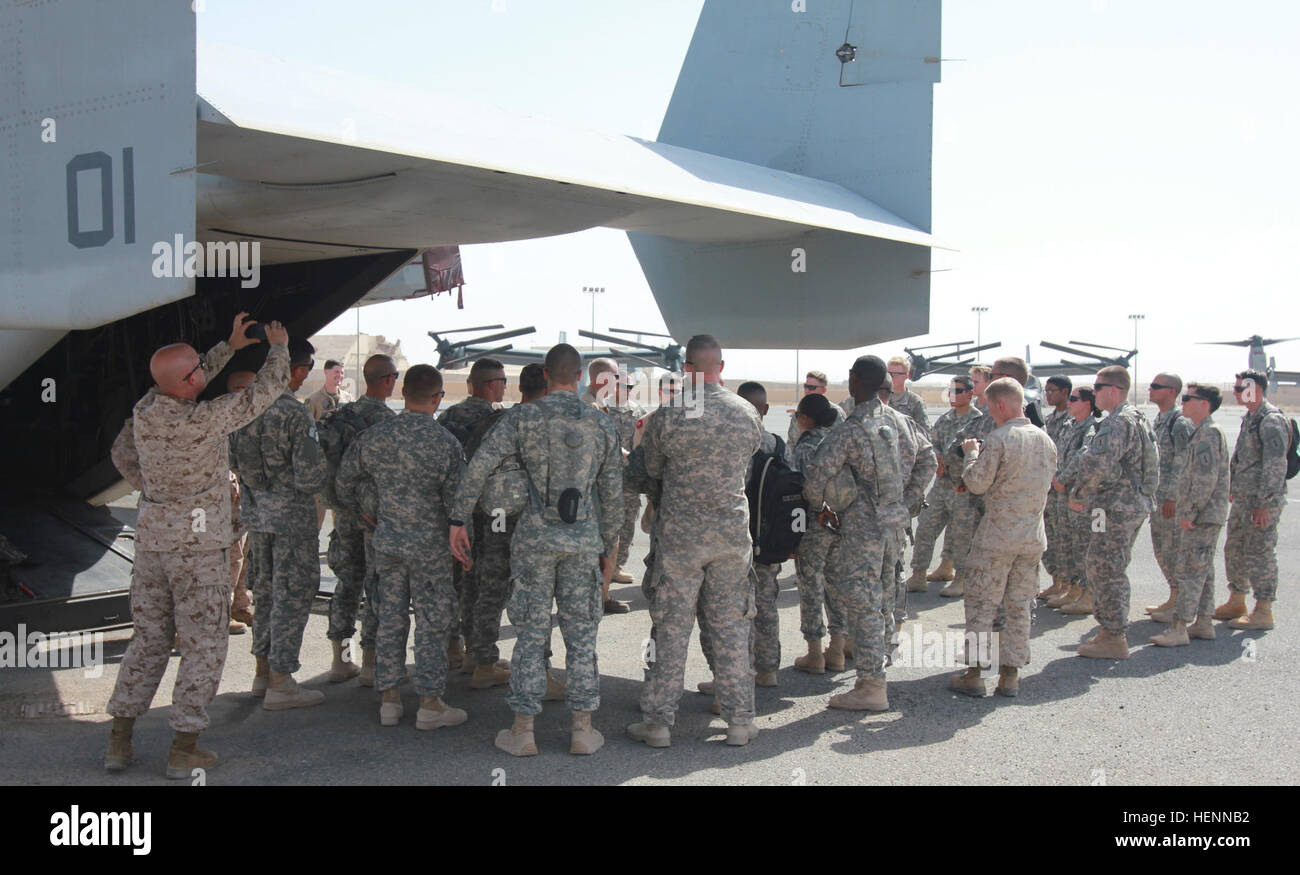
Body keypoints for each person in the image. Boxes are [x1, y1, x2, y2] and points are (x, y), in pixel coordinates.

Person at [104, 314, 288, 778]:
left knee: (148, 641)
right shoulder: (205, 420)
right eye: (197, 372)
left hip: (152, 544)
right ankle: (184, 746)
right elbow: (260, 395)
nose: (204, 373)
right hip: (199, 550)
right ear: (190, 382)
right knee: (205, 645)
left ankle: (119, 742)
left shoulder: (148, 408)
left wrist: (227, 345)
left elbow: (121, 451)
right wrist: (278, 348)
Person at [450, 344, 622, 756]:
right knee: (582, 635)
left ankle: (523, 730)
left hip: (533, 540)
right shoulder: (600, 424)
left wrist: (458, 519)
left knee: (530, 633)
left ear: (545, 375)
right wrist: (608, 546)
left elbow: (479, 467)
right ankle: (582, 729)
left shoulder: (522, 417)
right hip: (582, 540)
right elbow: (613, 493)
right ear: (578, 376)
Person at [629, 335, 763, 748]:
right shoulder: (746, 413)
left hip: (680, 538)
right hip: (729, 536)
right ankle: (739, 720)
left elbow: (647, 469)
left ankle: (658, 723)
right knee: (730, 627)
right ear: (721, 366)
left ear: (687, 368)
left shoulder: (669, 414)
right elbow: (746, 469)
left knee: (670, 627)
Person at [337, 365, 469, 730]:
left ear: (402, 393)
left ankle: (389, 700)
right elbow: (459, 504)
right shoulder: (446, 443)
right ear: (438, 398)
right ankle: (430, 703)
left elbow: (344, 483)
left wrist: (370, 515)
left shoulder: (375, 437)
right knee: (432, 621)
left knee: (389, 618)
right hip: (430, 550)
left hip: (388, 544)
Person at [802, 355, 926, 712]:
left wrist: (823, 509)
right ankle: (880, 667)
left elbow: (816, 477)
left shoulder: (851, 429)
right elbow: (928, 460)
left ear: (856, 381)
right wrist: (908, 501)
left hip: (861, 529)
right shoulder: (902, 421)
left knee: (864, 603)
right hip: (894, 527)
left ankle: (872, 685)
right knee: (885, 598)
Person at [232, 337, 332, 707]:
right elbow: (309, 477)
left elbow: (233, 461)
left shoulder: (245, 407)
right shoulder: (294, 412)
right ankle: (281, 681)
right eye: (304, 371)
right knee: (293, 596)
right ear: (295, 370)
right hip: (293, 520)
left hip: (259, 518)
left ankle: (262, 673)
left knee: (267, 593)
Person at [948, 378, 1057, 697]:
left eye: (987, 405)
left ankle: (975, 674)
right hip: (1031, 538)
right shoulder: (1045, 440)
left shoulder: (999, 439)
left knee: (982, 604)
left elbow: (977, 484)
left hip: (997, 537)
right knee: (1019, 605)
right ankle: (1010, 676)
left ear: (998, 405)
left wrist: (970, 455)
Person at [1070, 366, 1159, 659]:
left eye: (1097, 388)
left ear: (1113, 390)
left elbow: (1099, 464)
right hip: (1121, 505)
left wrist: (1079, 492)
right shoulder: (1135, 417)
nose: (1093, 393)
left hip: (1114, 508)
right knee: (1105, 564)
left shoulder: (1118, 422)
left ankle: (1115, 635)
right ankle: (1109, 631)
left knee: (1104, 567)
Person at [319, 354, 398, 684]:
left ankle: (341, 660)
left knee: (347, 585)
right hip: (376, 518)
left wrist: (337, 503)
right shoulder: (388, 422)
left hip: (345, 514)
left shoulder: (342, 415)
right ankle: (370, 664)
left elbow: (324, 466)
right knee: (376, 587)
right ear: (388, 380)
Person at [438, 358, 509, 672]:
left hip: (453, 513)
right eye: (503, 381)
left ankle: (453, 646)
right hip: (488, 515)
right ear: (493, 385)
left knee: (454, 581)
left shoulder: (449, 415)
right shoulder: (497, 420)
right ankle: (477, 655)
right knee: (484, 584)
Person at [1151, 384, 1229, 646]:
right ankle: (1204, 622)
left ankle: (1179, 627)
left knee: (1190, 571)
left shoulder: (1208, 434)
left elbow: (1206, 480)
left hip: (1202, 516)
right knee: (1202, 570)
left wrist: (1191, 512)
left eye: (1188, 399)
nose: (1183, 403)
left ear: (1204, 403)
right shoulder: (1201, 432)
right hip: (1204, 515)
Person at [1216, 369, 1289, 630]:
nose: (1235, 394)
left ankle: (1264, 609)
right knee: (1235, 548)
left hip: (1260, 502)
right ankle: (1237, 600)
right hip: (1244, 499)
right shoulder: (1252, 418)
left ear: (1255, 389)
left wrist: (1264, 503)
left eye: (1239, 389)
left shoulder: (1270, 421)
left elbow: (1275, 465)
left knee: (1260, 552)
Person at [790, 393, 850, 673]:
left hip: (815, 522)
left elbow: (803, 486)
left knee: (811, 585)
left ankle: (815, 652)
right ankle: (837, 649)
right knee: (837, 583)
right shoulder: (841, 438)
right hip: (842, 521)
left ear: (804, 418)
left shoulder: (808, 443)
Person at [907, 376, 981, 594]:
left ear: (970, 393)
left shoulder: (978, 420)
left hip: (964, 486)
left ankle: (961, 577)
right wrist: (937, 458)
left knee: (961, 533)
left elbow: (976, 449)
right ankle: (918, 574)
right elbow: (933, 443)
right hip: (942, 484)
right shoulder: (945, 419)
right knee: (926, 526)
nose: (952, 395)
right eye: (950, 391)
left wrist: (951, 461)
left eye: (958, 391)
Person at [581, 357, 645, 606]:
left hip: (605, 487)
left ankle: (601, 594)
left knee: (612, 542)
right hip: (598, 490)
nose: (618, 384)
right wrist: (627, 456)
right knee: (606, 544)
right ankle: (601, 598)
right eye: (615, 378)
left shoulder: (597, 403)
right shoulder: (589, 406)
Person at [736, 381, 783, 687]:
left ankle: (740, 674)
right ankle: (768, 670)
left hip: (740, 536)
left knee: (739, 608)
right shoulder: (776, 443)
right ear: (765, 410)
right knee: (767, 603)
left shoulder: (735, 441)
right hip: (769, 536)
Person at [1143, 373, 1194, 621]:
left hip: (1170, 501)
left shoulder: (1180, 422)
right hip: (1158, 498)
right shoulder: (1161, 420)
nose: (1150, 389)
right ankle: (1174, 596)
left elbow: (1183, 463)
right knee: (1162, 549)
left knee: (1174, 550)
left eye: (1156, 386)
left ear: (1171, 392)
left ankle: (1181, 604)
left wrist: (1173, 497)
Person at [1047, 386, 1102, 613]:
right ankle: (1070, 587)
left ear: (1088, 403)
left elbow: (1083, 457)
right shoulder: (1070, 425)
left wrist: (1062, 478)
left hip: (1077, 494)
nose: (1069, 402)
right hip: (1059, 491)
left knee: (1082, 545)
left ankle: (1087, 593)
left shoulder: (1092, 428)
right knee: (1063, 542)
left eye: (1074, 399)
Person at [224, 369, 260, 634]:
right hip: (229, 498)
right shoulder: (222, 420)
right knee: (231, 555)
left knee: (244, 554)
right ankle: (221, 613)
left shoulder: (250, 419)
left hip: (248, 494)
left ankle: (240, 603)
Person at [1038, 375, 1073, 599]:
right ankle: (1057, 580)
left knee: (1066, 539)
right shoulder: (1050, 420)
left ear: (1065, 392)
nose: (1048, 395)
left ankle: (1070, 585)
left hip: (1065, 488)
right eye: (1046, 391)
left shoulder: (1074, 419)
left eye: (1052, 391)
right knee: (1050, 539)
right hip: (1048, 488)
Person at [788, 370, 845, 463]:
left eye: (811, 387)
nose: (807, 390)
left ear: (823, 390)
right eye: (805, 386)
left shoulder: (836, 413)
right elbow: (791, 444)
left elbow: (841, 444)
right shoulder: (799, 413)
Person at [885, 355, 930, 436]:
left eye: (895, 374)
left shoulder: (915, 402)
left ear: (906, 376)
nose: (890, 377)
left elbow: (925, 433)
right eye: (888, 374)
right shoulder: (878, 398)